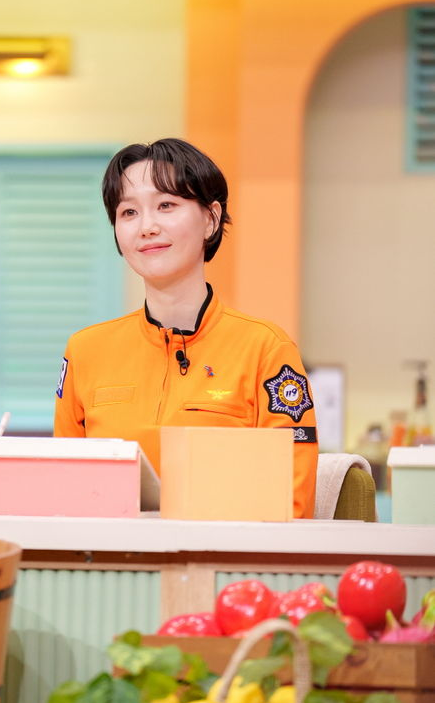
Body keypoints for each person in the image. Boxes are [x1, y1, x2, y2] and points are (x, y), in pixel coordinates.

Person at [54, 138, 318, 518]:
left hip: (228, 552)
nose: (147, 227)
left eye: (166, 205)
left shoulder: (267, 349)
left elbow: (291, 506)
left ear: (210, 219)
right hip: (111, 551)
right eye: (128, 212)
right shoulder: (85, 351)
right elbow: (65, 492)